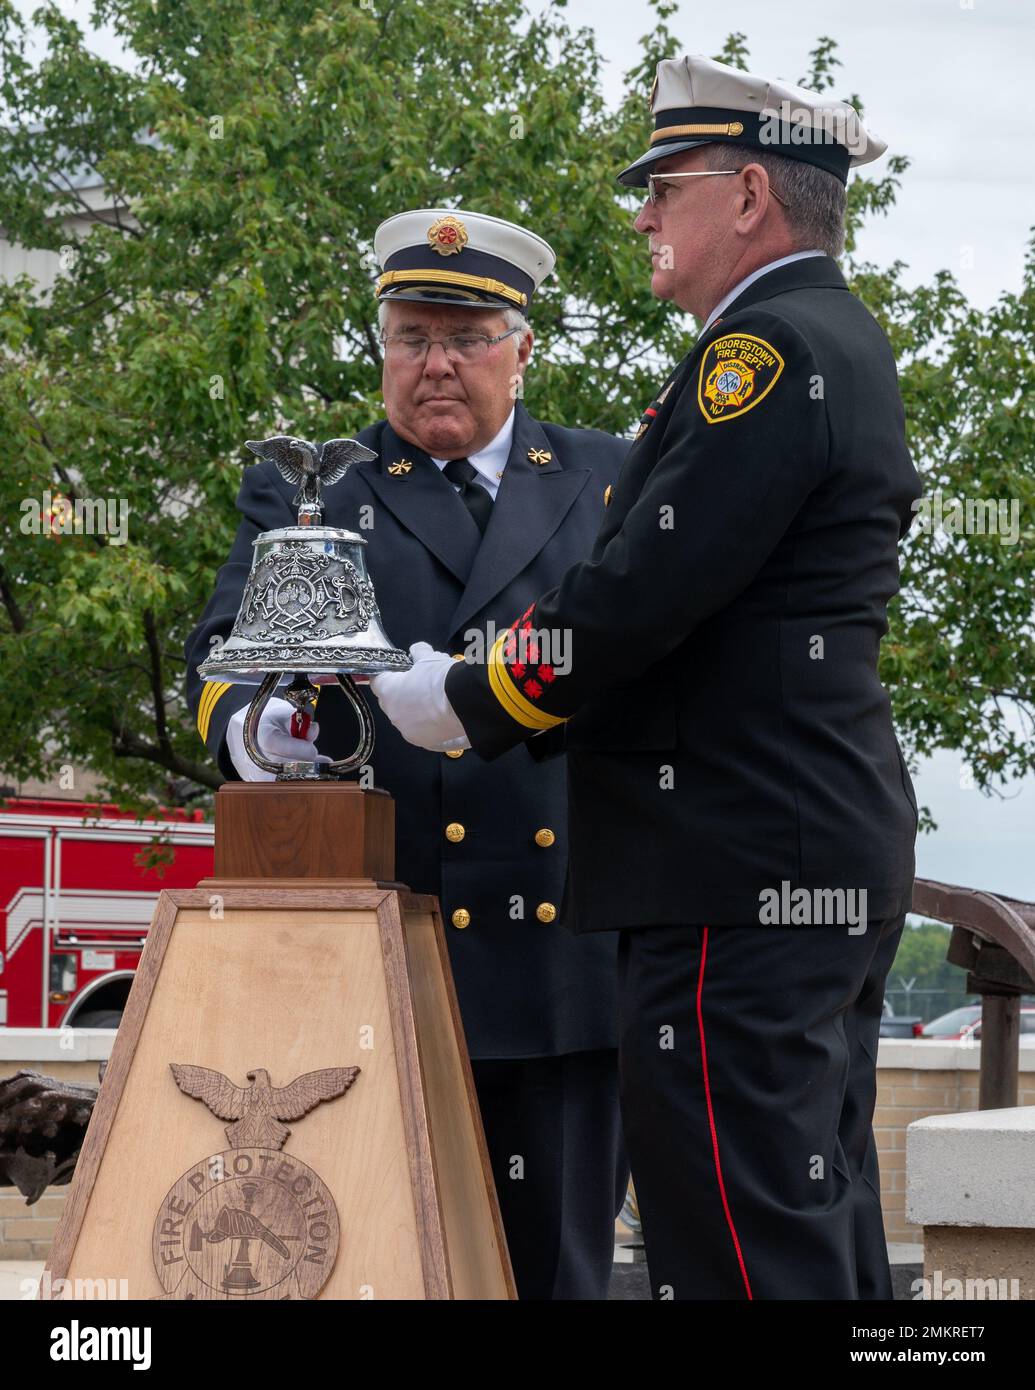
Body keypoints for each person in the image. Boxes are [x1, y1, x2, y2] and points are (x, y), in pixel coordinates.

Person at [369, 56, 922, 1300]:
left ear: (744, 195)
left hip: (734, 864)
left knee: (738, 1240)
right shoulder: (823, 335)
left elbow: (635, 602)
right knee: (815, 1222)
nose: (640, 215)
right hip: (797, 846)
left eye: (661, 186)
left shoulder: (766, 356)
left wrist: (464, 699)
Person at [184, 207, 630, 1300]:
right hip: (377, 952)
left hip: (560, 953)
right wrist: (262, 732)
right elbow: (218, 665)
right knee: (369, 1262)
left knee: (555, 1272)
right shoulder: (312, 487)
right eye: (410, 335)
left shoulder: (611, 479)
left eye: (467, 336)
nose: (436, 363)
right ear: (381, 346)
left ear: (522, 349)